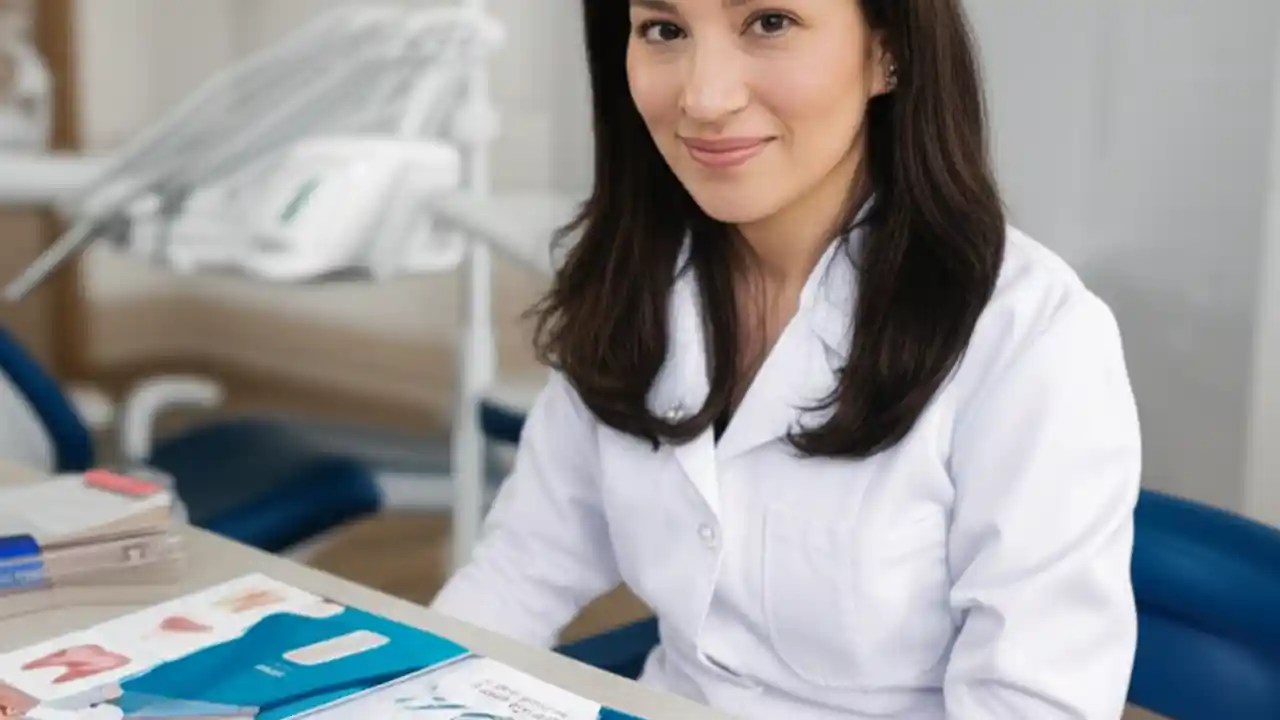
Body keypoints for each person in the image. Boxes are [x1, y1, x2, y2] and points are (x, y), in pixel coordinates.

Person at [432, 0, 1142, 717]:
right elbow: (520, 571)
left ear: (887, 51)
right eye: (664, 30)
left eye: (769, 22)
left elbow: (1034, 705)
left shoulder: (1031, 337)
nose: (705, 98)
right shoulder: (635, 276)